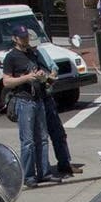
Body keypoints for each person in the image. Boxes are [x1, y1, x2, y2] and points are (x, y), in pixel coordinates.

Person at [0, 24, 52, 187]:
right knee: (28, 141)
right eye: (22, 37)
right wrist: (26, 78)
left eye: (26, 37)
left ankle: (44, 172)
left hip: (38, 99)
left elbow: (43, 71)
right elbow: (6, 81)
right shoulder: (11, 57)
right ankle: (28, 176)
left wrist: (42, 75)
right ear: (15, 39)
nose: (25, 40)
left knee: (42, 138)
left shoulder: (32, 53)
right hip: (24, 101)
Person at [26, 30, 82, 179]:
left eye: (35, 45)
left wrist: (51, 76)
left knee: (58, 132)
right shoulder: (23, 57)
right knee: (39, 137)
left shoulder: (40, 52)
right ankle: (42, 169)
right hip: (34, 99)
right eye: (31, 45)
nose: (34, 48)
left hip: (46, 96)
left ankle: (64, 162)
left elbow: (53, 67)